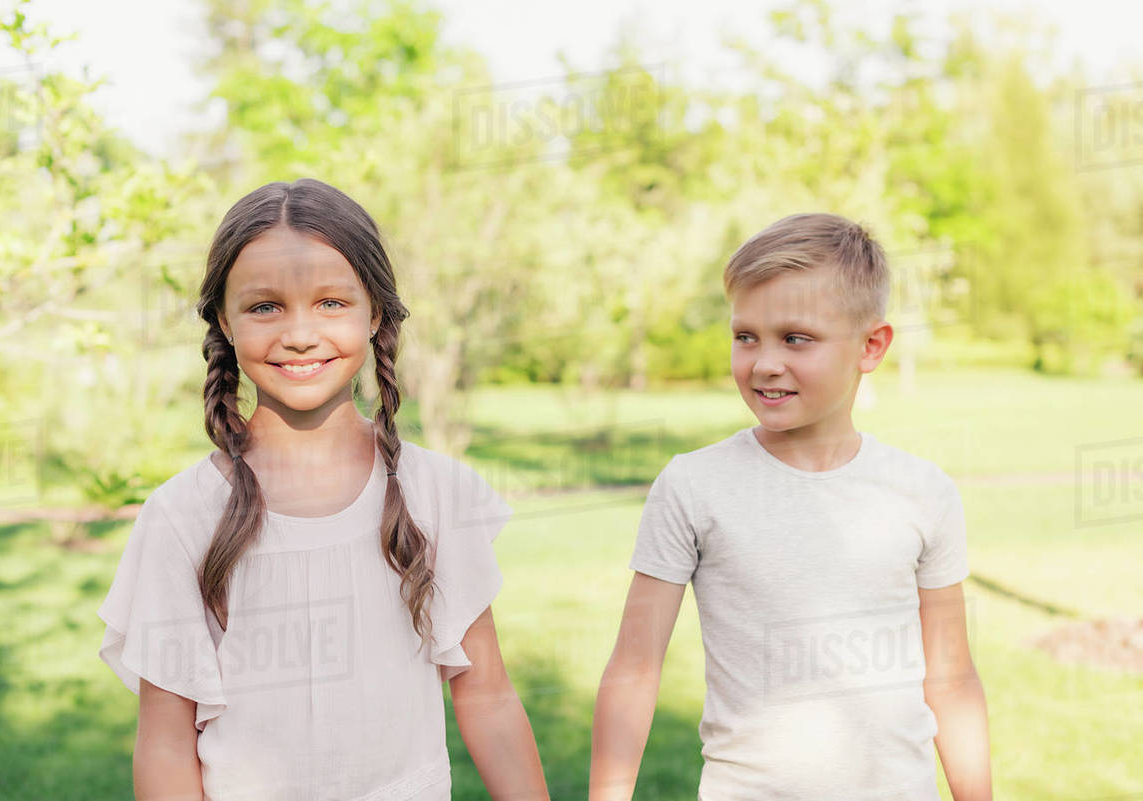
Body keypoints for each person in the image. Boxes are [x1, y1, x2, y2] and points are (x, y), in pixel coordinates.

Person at [96, 178, 549, 801]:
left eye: (332, 302)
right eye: (265, 307)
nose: (300, 333)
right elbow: (166, 743)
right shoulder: (182, 516)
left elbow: (489, 695)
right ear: (224, 321)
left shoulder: (437, 493)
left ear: (377, 314)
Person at [589, 213, 992, 800]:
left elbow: (951, 677)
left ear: (871, 346)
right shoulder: (693, 486)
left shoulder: (923, 492)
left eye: (795, 338)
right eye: (745, 336)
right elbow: (634, 670)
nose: (764, 363)